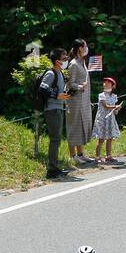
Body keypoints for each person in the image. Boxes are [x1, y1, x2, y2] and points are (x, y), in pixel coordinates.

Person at [38, 48, 72, 179]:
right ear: (57, 61)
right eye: (64, 59)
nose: (66, 61)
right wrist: (57, 96)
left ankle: (54, 168)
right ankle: (51, 170)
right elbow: (43, 89)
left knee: (57, 139)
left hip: (58, 109)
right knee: (55, 139)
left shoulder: (61, 73)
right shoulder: (51, 73)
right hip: (52, 109)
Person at [65, 39, 93, 165]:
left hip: (84, 100)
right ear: (80, 48)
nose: (87, 48)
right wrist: (81, 86)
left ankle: (81, 154)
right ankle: (72, 156)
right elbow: (71, 84)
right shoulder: (74, 64)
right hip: (75, 101)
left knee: (82, 126)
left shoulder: (82, 62)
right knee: (74, 126)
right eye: (85, 46)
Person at [91, 77, 123, 163]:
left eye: (109, 82)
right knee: (101, 139)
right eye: (105, 82)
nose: (106, 83)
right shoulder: (101, 95)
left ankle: (108, 156)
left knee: (110, 138)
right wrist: (115, 106)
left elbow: (114, 112)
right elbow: (106, 106)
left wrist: (117, 109)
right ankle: (97, 157)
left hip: (110, 119)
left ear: (113, 86)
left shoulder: (113, 96)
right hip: (102, 119)